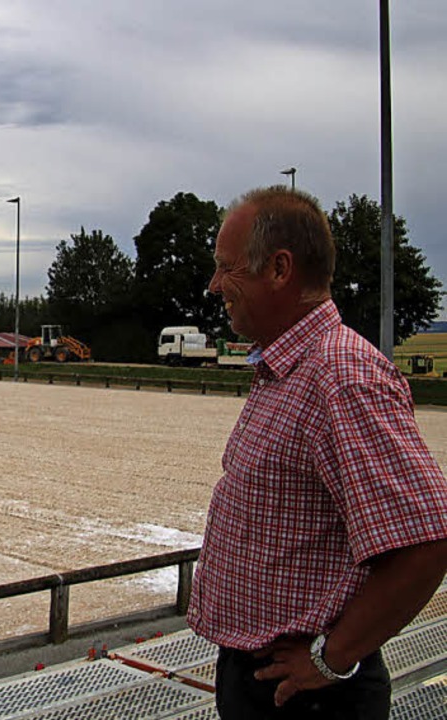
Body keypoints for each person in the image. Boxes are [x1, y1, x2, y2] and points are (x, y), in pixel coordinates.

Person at [188, 186, 447, 719]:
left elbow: (427, 543)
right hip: (268, 681)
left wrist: (331, 659)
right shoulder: (288, 369)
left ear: (279, 269)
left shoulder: (341, 374)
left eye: (226, 268)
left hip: (309, 697)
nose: (214, 286)